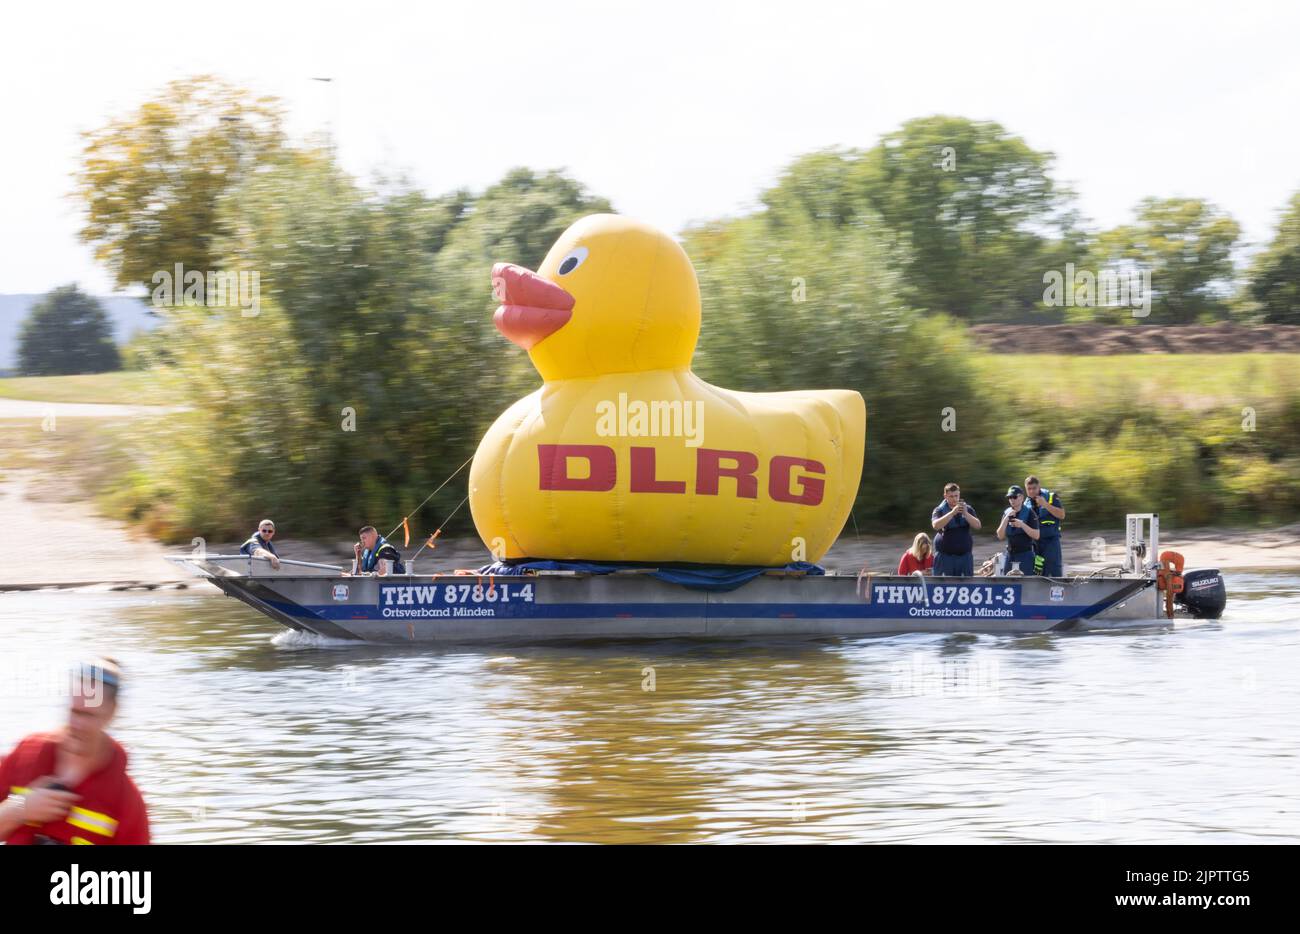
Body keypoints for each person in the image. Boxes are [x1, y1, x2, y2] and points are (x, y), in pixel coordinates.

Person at [0, 658, 150, 845]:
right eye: (74, 712)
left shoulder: (126, 802)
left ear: (111, 713)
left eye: (88, 715)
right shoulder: (27, 755)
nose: (76, 724)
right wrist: (20, 808)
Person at [931, 482, 981, 576]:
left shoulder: (968, 509)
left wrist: (966, 514)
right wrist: (952, 513)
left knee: (967, 585)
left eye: (956, 496)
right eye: (951, 496)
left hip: (964, 557)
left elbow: (978, 526)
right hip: (945, 557)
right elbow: (935, 525)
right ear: (945, 496)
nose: (954, 499)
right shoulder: (939, 510)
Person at [1025, 475, 1066, 577]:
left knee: (1053, 571)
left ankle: (1057, 591)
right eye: (1029, 489)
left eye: (1034, 488)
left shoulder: (1051, 497)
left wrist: (1045, 504)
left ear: (1039, 487)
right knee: (1036, 572)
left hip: (1051, 542)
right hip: (1035, 544)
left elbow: (1062, 515)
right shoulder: (1026, 503)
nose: (1031, 491)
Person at [997, 485, 1041, 575]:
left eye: (1014, 497)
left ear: (1021, 497)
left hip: (1025, 555)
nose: (1012, 500)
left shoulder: (1030, 513)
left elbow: (1037, 535)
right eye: (1009, 497)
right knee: (1007, 583)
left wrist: (1022, 525)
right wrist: (1006, 519)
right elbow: (1000, 536)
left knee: (1026, 585)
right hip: (1010, 555)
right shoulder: (1006, 512)